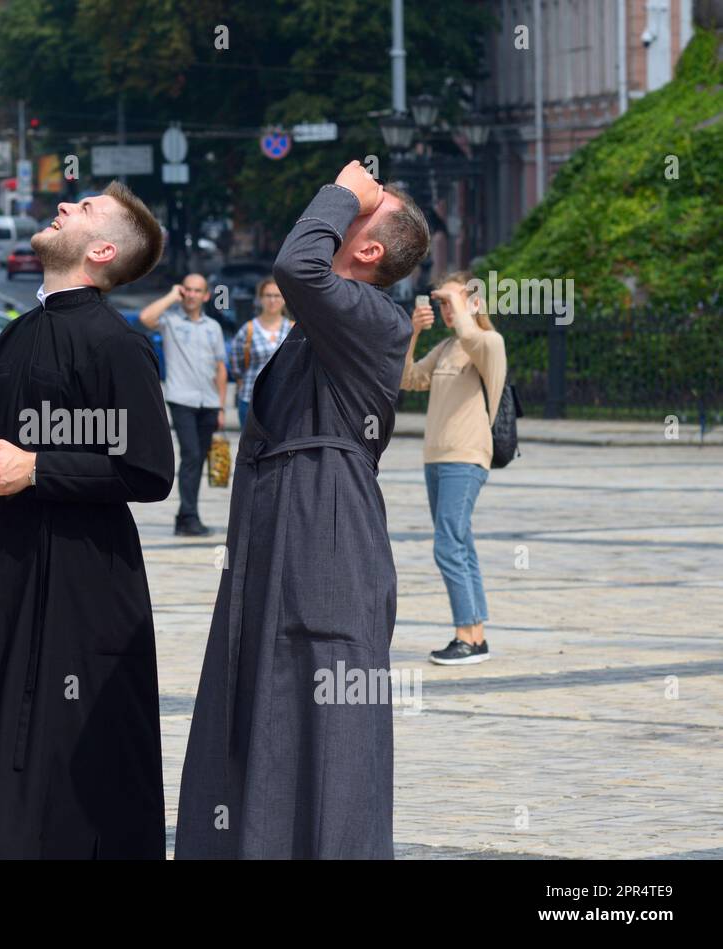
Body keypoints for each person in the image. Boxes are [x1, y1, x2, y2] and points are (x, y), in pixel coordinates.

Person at [0, 181, 175, 859]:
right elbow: (26, 442)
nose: (64, 208)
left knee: (64, 736)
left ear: (102, 249)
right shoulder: (17, 337)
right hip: (9, 557)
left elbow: (150, 470)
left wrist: (37, 469)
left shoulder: (117, 341)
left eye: (82, 210)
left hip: (86, 576)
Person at [176, 161, 431, 859]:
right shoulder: (334, 322)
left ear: (369, 249)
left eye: (353, 221)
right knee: (262, 696)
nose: (338, 220)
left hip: (323, 528)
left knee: (326, 708)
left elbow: (296, 264)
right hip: (285, 517)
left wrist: (350, 188)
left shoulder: (373, 318)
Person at [401, 271, 507, 665]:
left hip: (466, 458)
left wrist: (458, 300)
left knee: (447, 544)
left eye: (453, 301)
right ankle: (476, 636)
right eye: (443, 302)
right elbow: (408, 379)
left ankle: (466, 634)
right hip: (436, 459)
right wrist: (413, 333)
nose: (446, 308)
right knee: (461, 544)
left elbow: (472, 336)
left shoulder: (489, 344)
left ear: (475, 303)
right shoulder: (447, 348)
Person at [138, 273, 228, 536]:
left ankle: (186, 516)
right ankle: (189, 516)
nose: (191, 295)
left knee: (198, 460)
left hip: (209, 402)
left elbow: (220, 368)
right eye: (187, 290)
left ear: (206, 296)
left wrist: (221, 406)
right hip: (182, 399)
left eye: (197, 291)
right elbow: (146, 318)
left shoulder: (213, 327)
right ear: (182, 292)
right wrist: (170, 296)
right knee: (190, 456)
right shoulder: (171, 321)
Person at [227, 277, 293, 428]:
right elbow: (236, 365)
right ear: (260, 299)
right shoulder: (248, 330)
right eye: (268, 295)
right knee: (252, 449)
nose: (272, 300)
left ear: (284, 299)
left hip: (285, 401)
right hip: (251, 399)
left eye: (277, 296)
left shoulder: (293, 330)